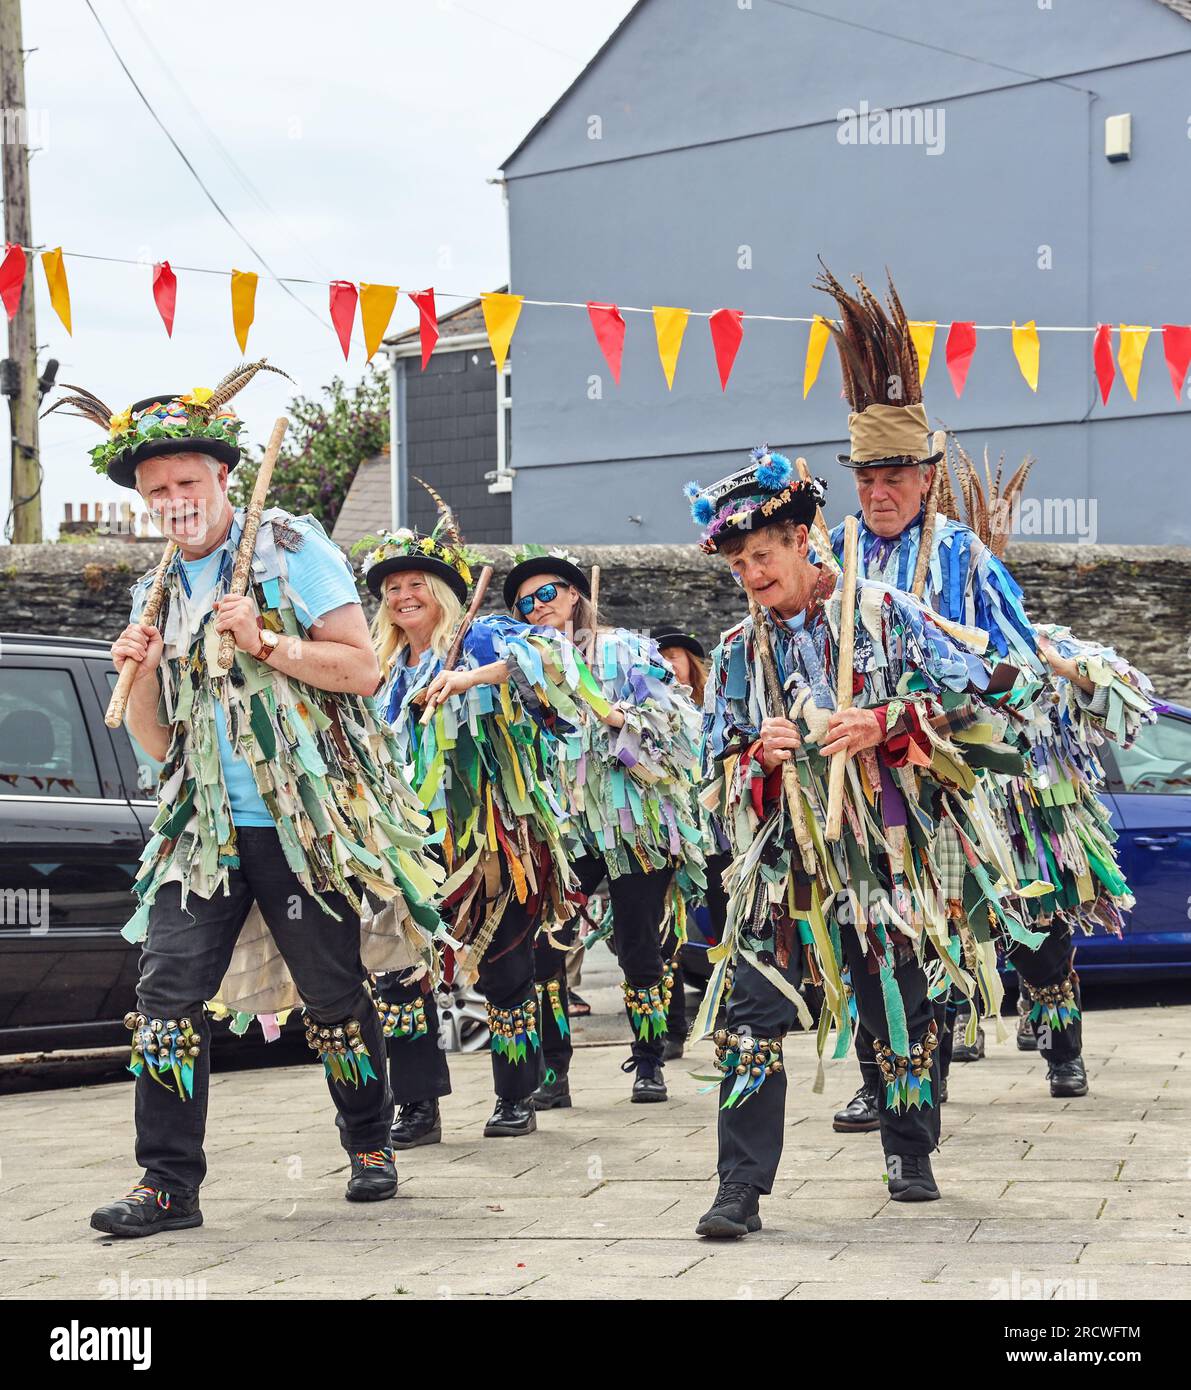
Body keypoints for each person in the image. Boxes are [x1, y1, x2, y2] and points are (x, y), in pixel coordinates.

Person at [47, 365, 445, 1237]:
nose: (175, 500)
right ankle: (166, 1187)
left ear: (222, 477)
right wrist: (140, 673)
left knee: (334, 994)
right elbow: (157, 744)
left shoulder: (293, 547)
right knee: (164, 999)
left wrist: (263, 639)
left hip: (299, 823)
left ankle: (370, 1142)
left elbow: (361, 670)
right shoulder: (155, 588)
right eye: (158, 491)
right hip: (203, 832)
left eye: (188, 482)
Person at [814, 265, 1155, 1110]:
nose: (879, 490)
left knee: (1030, 923)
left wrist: (938, 678)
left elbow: (1015, 669)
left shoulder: (966, 557)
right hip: (879, 776)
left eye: (895, 474)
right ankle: (894, 1081)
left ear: (926, 477)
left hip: (974, 771)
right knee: (885, 923)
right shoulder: (832, 555)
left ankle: (1060, 1038)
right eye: (866, 476)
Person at [684, 442, 1040, 1236]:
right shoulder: (740, 651)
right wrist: (754, 755)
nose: (751, 573)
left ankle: (908, 1150)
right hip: (787, 858)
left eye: (763, 554)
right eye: (737, 561)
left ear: (804, 540)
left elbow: (1004, 684)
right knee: (750, 1014)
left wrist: (888, 720)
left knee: (895, 1005)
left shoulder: (883, 613)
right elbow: (711, 763)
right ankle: (737, 1189)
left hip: (886, 845)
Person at [361, 518, 602, 1141]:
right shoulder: (383, 668)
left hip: (498, 837)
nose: (403, 594)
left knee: (503, 968)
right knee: (399, 970)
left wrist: (471, 676)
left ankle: (516, 1095)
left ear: (442, 591)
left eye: (417, 582)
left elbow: (555, 658)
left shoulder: (484, 634)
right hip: (412, 840)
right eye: (392, 586)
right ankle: (416, 1106)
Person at [500, 550, 706, 1107]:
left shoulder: (627, 649)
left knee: (639, 942)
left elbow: (678, 727)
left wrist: (613, 716)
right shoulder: (524, 669)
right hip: (563, 828)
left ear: (573, 594)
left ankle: (649, 1063)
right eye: (524, 604)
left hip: (631, 820)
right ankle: (553, 1070)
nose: (536, 607)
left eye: (547, 594)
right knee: (545, 944)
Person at [653, 624, 732, 1059]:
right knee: (667, 924)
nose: (667, 665)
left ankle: (732, 1013)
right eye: (659, 658)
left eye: (674, 657)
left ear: (691, 663)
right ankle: (670, 1028)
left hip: (713, 831)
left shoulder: (713, 706)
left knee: (724, 920)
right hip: (668, 831)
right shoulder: (645, 708)